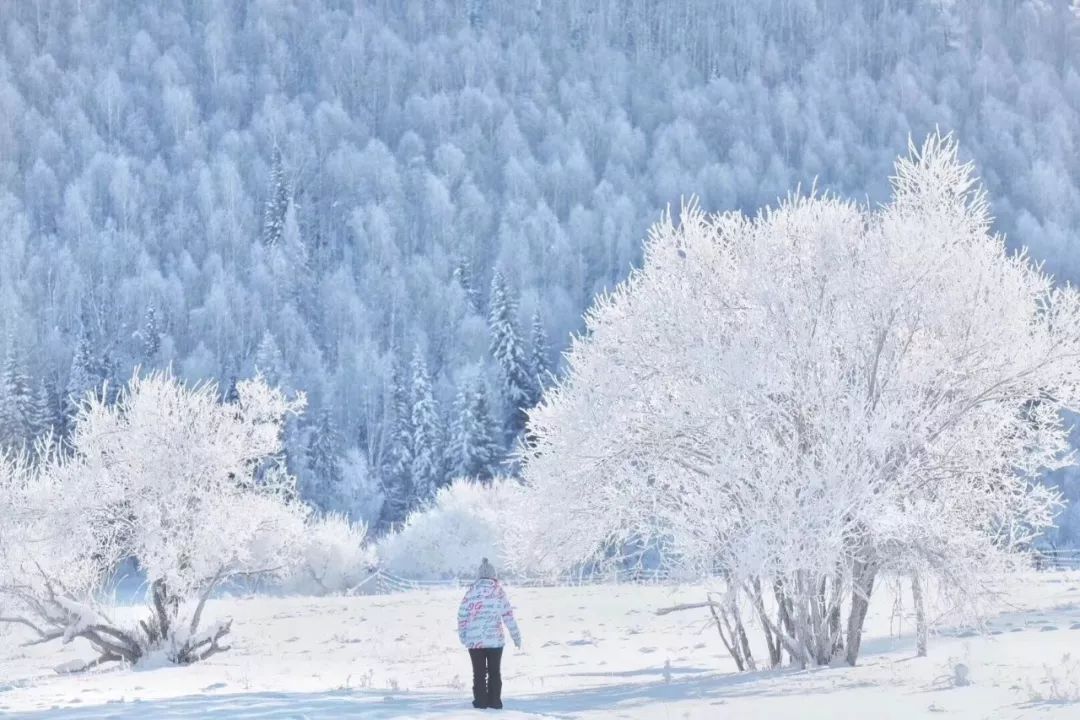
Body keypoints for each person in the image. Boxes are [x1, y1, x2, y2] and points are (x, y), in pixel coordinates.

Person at [456, 557, 522, 710]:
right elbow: (508, 616)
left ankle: (480, 702)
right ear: (493, 575)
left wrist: (463, 635)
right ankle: (495, 702)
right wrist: (516, 636)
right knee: (494, 672)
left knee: (479, 673)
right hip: (495, 641)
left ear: (478, 575)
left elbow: (462, 615)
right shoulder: (499, 592)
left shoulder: (470, 592)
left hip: (474, 641)